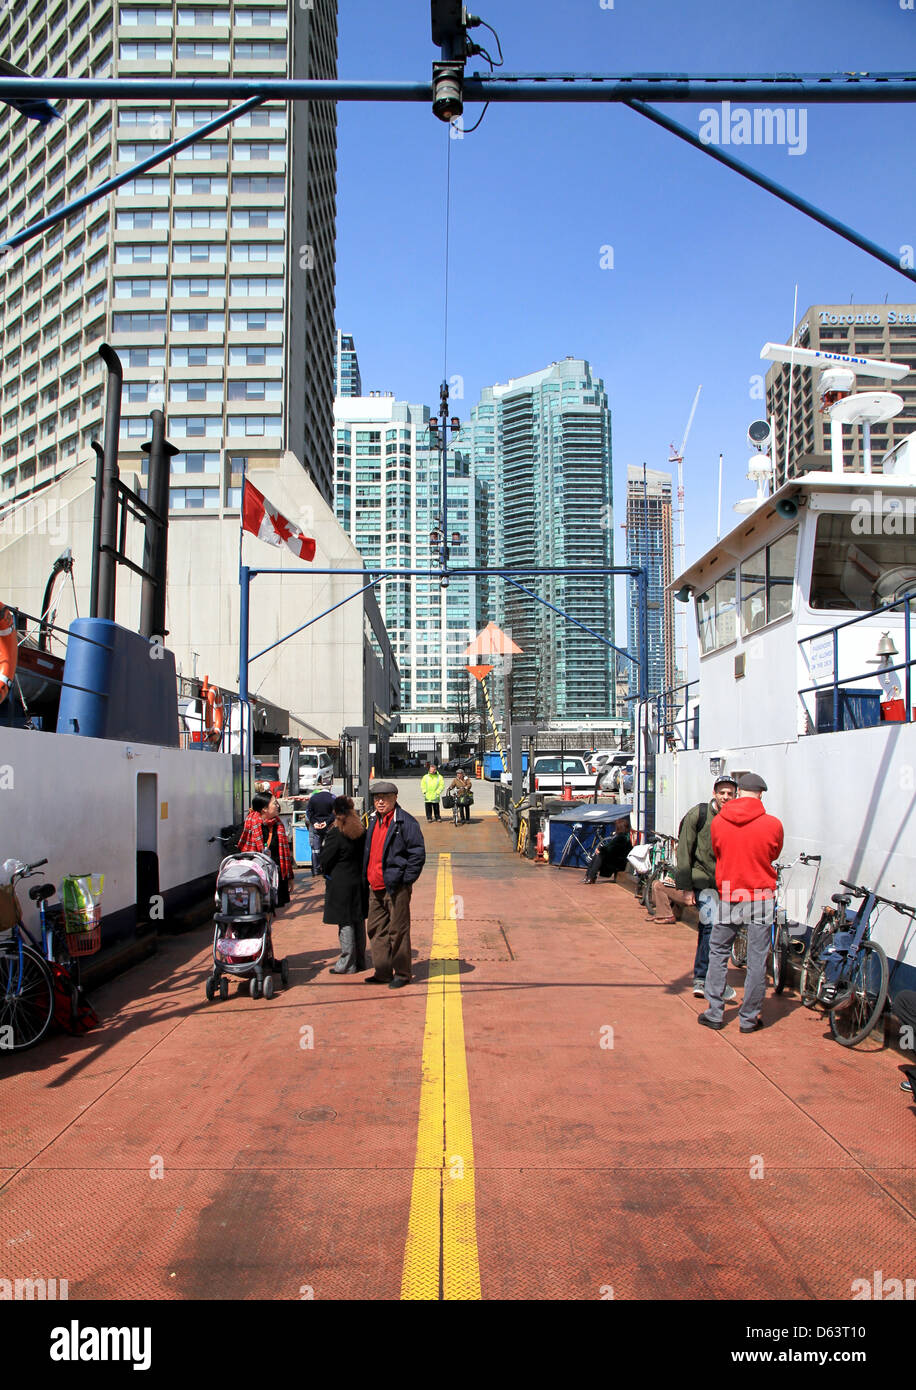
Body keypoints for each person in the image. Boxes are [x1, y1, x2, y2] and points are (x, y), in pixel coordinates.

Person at [699, 772, 783, 1033]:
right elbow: (774, 852)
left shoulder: (719, 822)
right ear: (760, 794)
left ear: (738, 792)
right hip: (760, 896)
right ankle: (749, 1019)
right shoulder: (773, 824)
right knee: (757, 959)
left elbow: (718, 851)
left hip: (729, 894)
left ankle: (714, 1013)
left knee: (718, 952)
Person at [665, 775, 739, 1001]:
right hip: (702, 879)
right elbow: (684, 851)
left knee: (714, 928)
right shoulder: (699, 814)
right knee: (712, 923)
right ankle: (704, 978)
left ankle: (706, 974)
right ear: (715, 793)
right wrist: (686, 888)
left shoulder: (736, 818)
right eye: (722, 792)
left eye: (730, 793)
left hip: (726, 883)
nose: (726, 797)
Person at [362, 780, 426, 988]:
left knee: (398, 931)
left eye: (385, 798)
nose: (380, 802)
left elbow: (417, 853)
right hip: (375, 885)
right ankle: (382, 971)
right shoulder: (373, 820)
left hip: (396, 886)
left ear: (395, 799)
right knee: (375, 929)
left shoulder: (405, 822)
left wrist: (405, 880)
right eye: (377, 798)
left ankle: (402, 974)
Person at [321, 795, 368, 974]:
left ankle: (347, 963)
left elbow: (326, 859)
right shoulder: (361, 830)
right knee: (358, 921)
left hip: (341, 884)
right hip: (359, 882)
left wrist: (326, 872)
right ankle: (360, 960)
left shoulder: (336, 832)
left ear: (335, 812)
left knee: (345, 922)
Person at [238, 793, 294, 908]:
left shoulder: (278, 824)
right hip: (255, 877)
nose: (277, 805)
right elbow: (237, 847)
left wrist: (289, 877)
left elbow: (284, 855)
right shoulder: (249, 825)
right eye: (274, 803)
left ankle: (267, 925)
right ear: (264, 809)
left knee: (271, 909)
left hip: (275, 876)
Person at [583, 816, 632, 884]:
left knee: (599, 855)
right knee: (597, 855)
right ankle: (589, 876)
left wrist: (600, 850)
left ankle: (590, 876)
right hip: (616, 858)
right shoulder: (622, 836)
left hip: (619, 861)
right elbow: (610, 848)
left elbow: (611, 848)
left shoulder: (622, 837)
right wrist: (601, 850)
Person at [307, 785, 336, 877]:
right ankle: (327, 869)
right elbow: (335, 813)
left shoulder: (313, 798)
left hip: (315, 826)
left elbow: (309, 812)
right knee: (329, 847)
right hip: (328, 826)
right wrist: (326, 822)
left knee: (315, 849)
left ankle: (316, 869)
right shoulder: (333, 798)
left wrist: (314, 822)